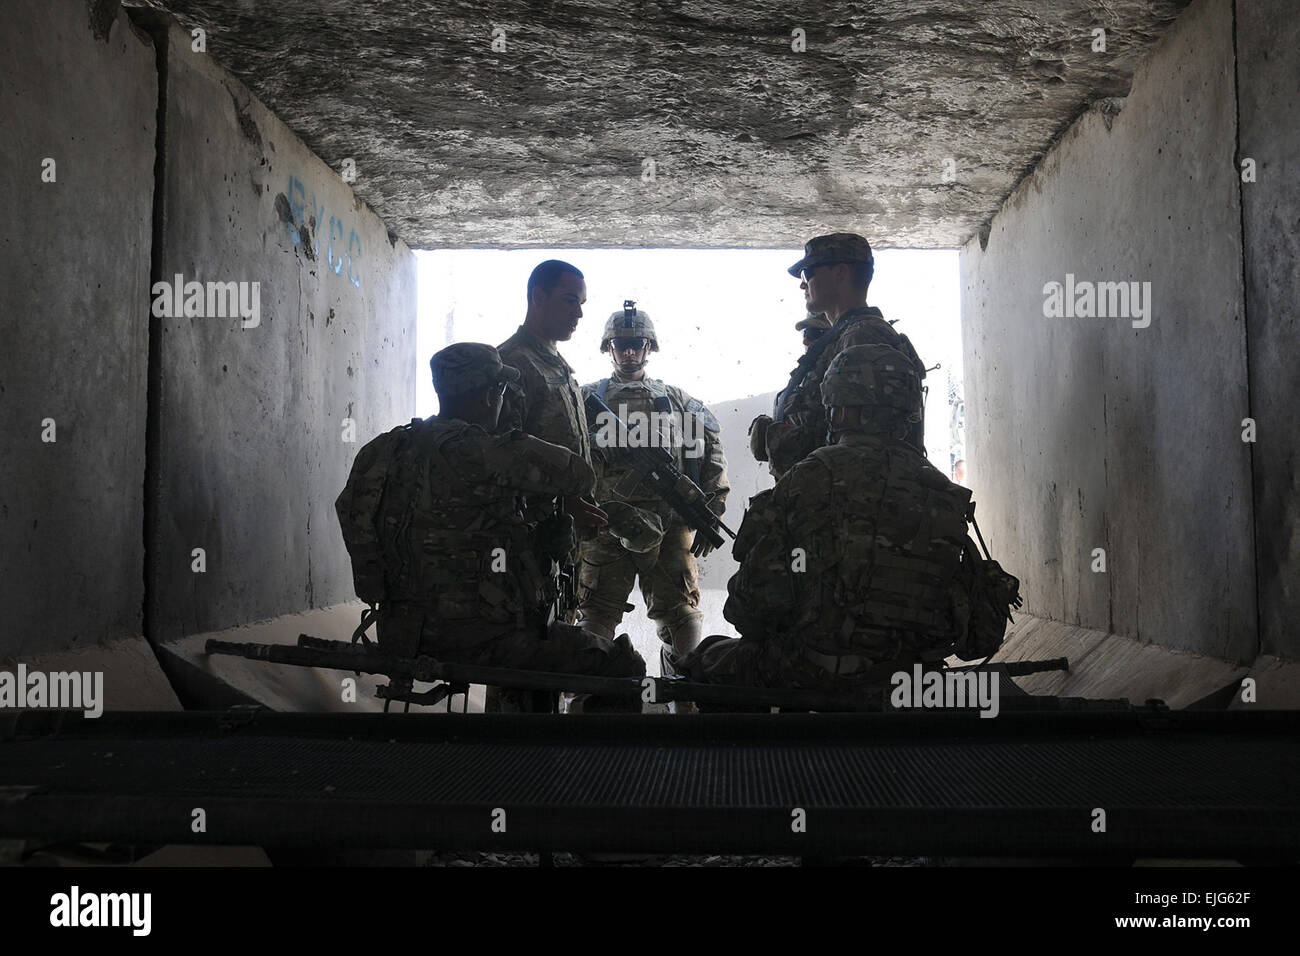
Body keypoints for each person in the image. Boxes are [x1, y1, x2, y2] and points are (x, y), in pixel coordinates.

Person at [335, 343, 645, 712]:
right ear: (489, 396)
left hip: (400, 633)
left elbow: (350, 511)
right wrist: (515, 434)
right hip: (484, 638)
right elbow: (578, 474)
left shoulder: (382, 450)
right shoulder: (485, 452)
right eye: (502, 392)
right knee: (625, 666)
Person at [681, 344, 975, 698]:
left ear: (840, 408)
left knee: (708, 660)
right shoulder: (943, 490)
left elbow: (748, 609)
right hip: (915, 679)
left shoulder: (811, 476)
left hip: (816, 671)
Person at [577, 302, 730, 681]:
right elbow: (567, 453)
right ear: (609, 348)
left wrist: (712, 508)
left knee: (681, 616)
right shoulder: (585, 399)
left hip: (670, 523)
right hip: (604, 524)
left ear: (649, 348)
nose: (629, 352)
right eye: (621, 344)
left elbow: (710, 452)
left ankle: (686, 697)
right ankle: (585, 699)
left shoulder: (678, 400)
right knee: (596, 614)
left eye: (637, 344)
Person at [757, 233, 928, 479]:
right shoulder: (844, 336)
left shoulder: (863, 336)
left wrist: (774, 438)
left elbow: (865, 446)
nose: (802, 285)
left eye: (808, 273)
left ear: (840, 273)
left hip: (847, 495)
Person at [749, 311, 830, 469]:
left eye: (813, 333)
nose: (805, 340)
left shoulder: (835, 376)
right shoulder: (805, 375)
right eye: (805, 333)